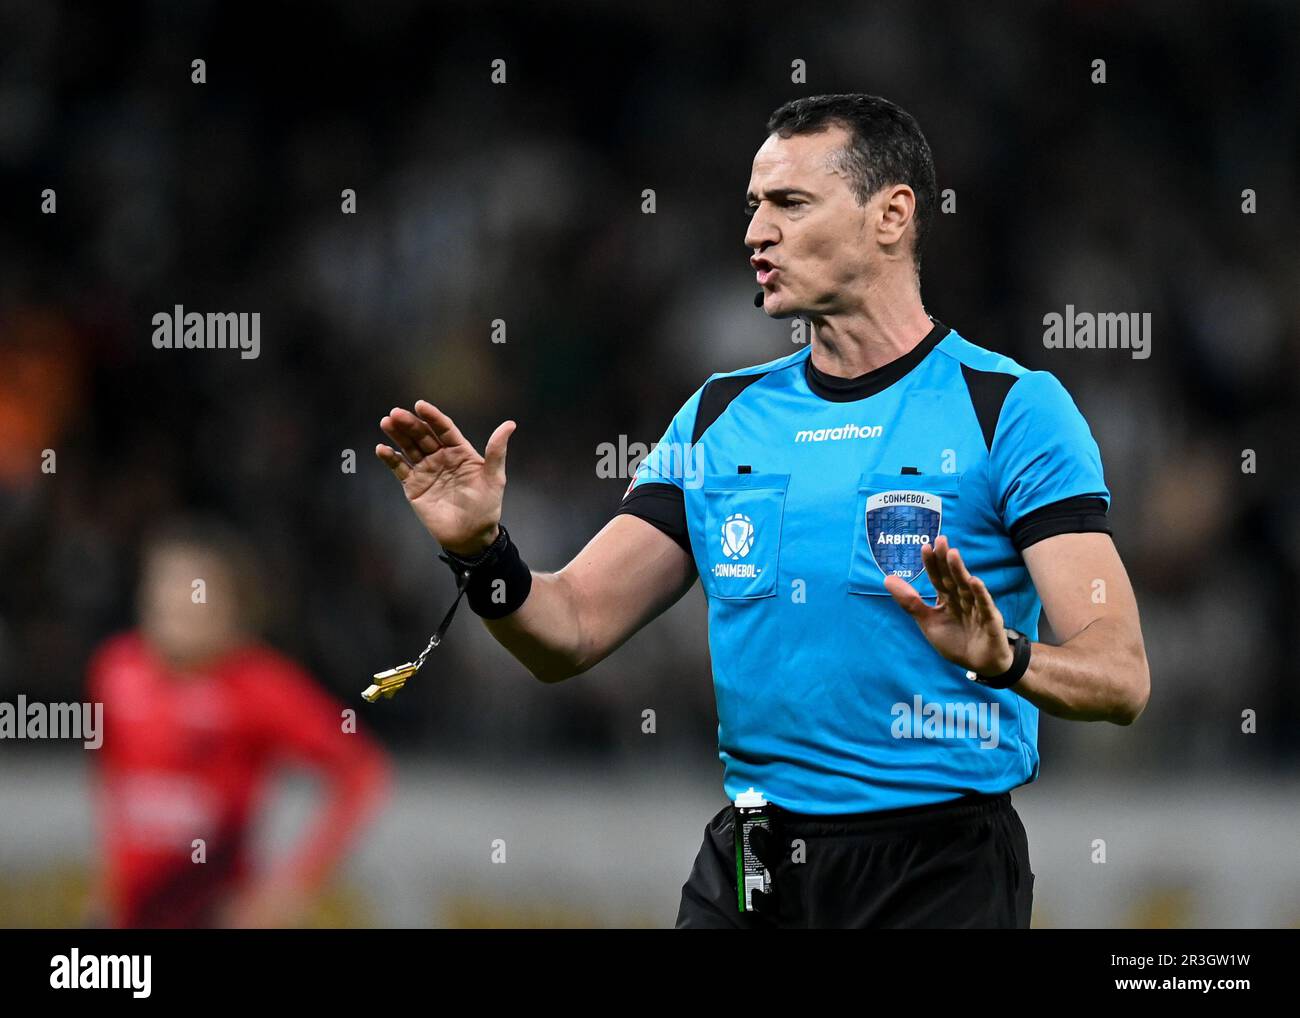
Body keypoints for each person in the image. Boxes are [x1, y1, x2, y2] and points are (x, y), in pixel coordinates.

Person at [374, 93, 1149, 929]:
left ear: (891, 216)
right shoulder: (716, 416)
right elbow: (570, 632)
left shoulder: (1012, 409)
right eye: (753, 207)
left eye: (789, 203)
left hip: (938, 866)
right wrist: (484, 554)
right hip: (753, 863)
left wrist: (1007, 660)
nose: (754, 233)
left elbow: (1121, 676)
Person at [85, 519, 390, 928]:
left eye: (192, 590)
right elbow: (112, 775)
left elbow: (361, 772)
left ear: (232, 607)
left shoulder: (261, 686)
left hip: (215, 916)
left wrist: (293, 887)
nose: (173, 603)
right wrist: (109, 881)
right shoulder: (116, 669)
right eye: (162, 586)